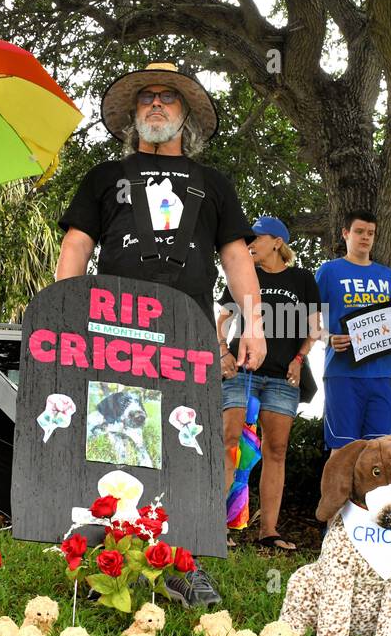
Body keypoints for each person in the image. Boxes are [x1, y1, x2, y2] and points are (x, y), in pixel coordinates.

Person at [55, 61, 266, 606]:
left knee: (186, 448)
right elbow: (77, 245)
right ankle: (111, 564)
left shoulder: (214, 183)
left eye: (167, 99)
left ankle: (183, 564)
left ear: (185, 115)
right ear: (134, 113)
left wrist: (254, 324)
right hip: (111, 322)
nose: (155, 105)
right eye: (146, 97)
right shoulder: (105, 176)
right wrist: (61, 308)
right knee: (115, 440)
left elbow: (237, 255)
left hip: (188, 329)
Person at [217, 215, 322, 552]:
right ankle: (216, 525)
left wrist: (299, 358)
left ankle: (269, 531)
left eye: (257, 239)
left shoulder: (302, 279)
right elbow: (221, 321)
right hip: (241, 373)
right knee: (229, 441)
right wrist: (222, 352)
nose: (249, 245)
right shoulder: (241, 275)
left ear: (277, 242)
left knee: (275, 451)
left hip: (282, 379)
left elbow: (314, 327)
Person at [314, 210, 391, 458]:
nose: (365, 237)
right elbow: (306, 319)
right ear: (345, 233)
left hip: (381, 373)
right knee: (343, 449)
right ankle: (338, 499)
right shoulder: (329, 272)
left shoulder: (386, 274)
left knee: (378, 451)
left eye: (371, 233)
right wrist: (327, 338)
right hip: (342, 372)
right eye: (359, 232)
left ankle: (369, 499)